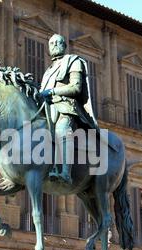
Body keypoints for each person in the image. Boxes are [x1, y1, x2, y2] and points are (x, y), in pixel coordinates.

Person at [39, 34, 98, 185]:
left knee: (62, 129)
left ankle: (66, 173)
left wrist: (53, 92)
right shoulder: (48, 71)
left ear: (64, 46)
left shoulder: (73, 61)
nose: (54, 45)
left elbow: (76, 87)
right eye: (51, 43)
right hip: (48, 109)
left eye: (58, 42)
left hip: (67, 107)